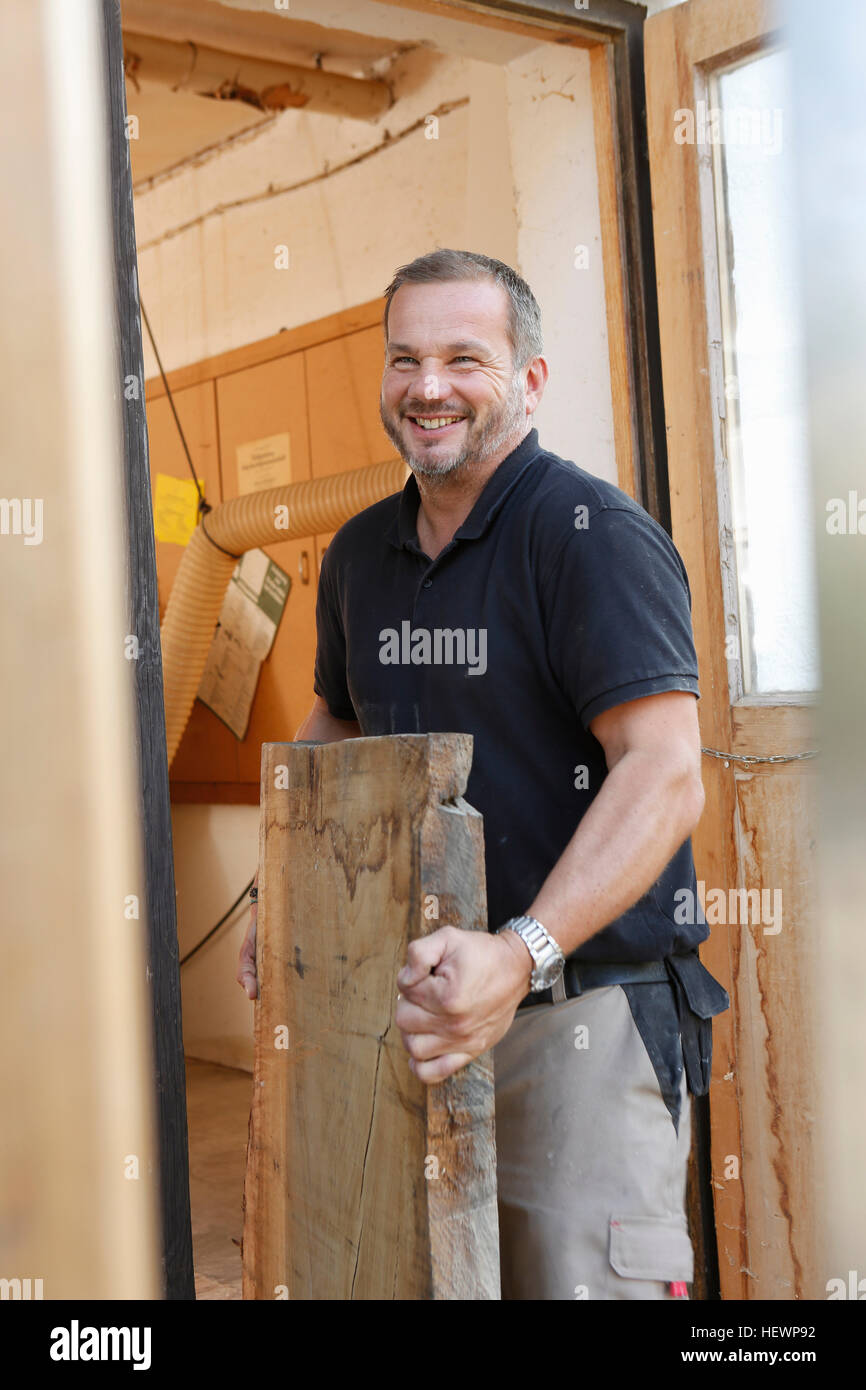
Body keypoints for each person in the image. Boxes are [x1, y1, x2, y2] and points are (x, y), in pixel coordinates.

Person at [237, 248, 729, 1300]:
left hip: (576, 1021)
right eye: (405, 358)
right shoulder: (364, 551)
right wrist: (272, 892)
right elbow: (336, 720)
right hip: (406, 1018)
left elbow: (663, 771)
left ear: (530, 381)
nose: (427, 386)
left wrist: (520, 951)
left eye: (465, 357)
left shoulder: (589, 537)